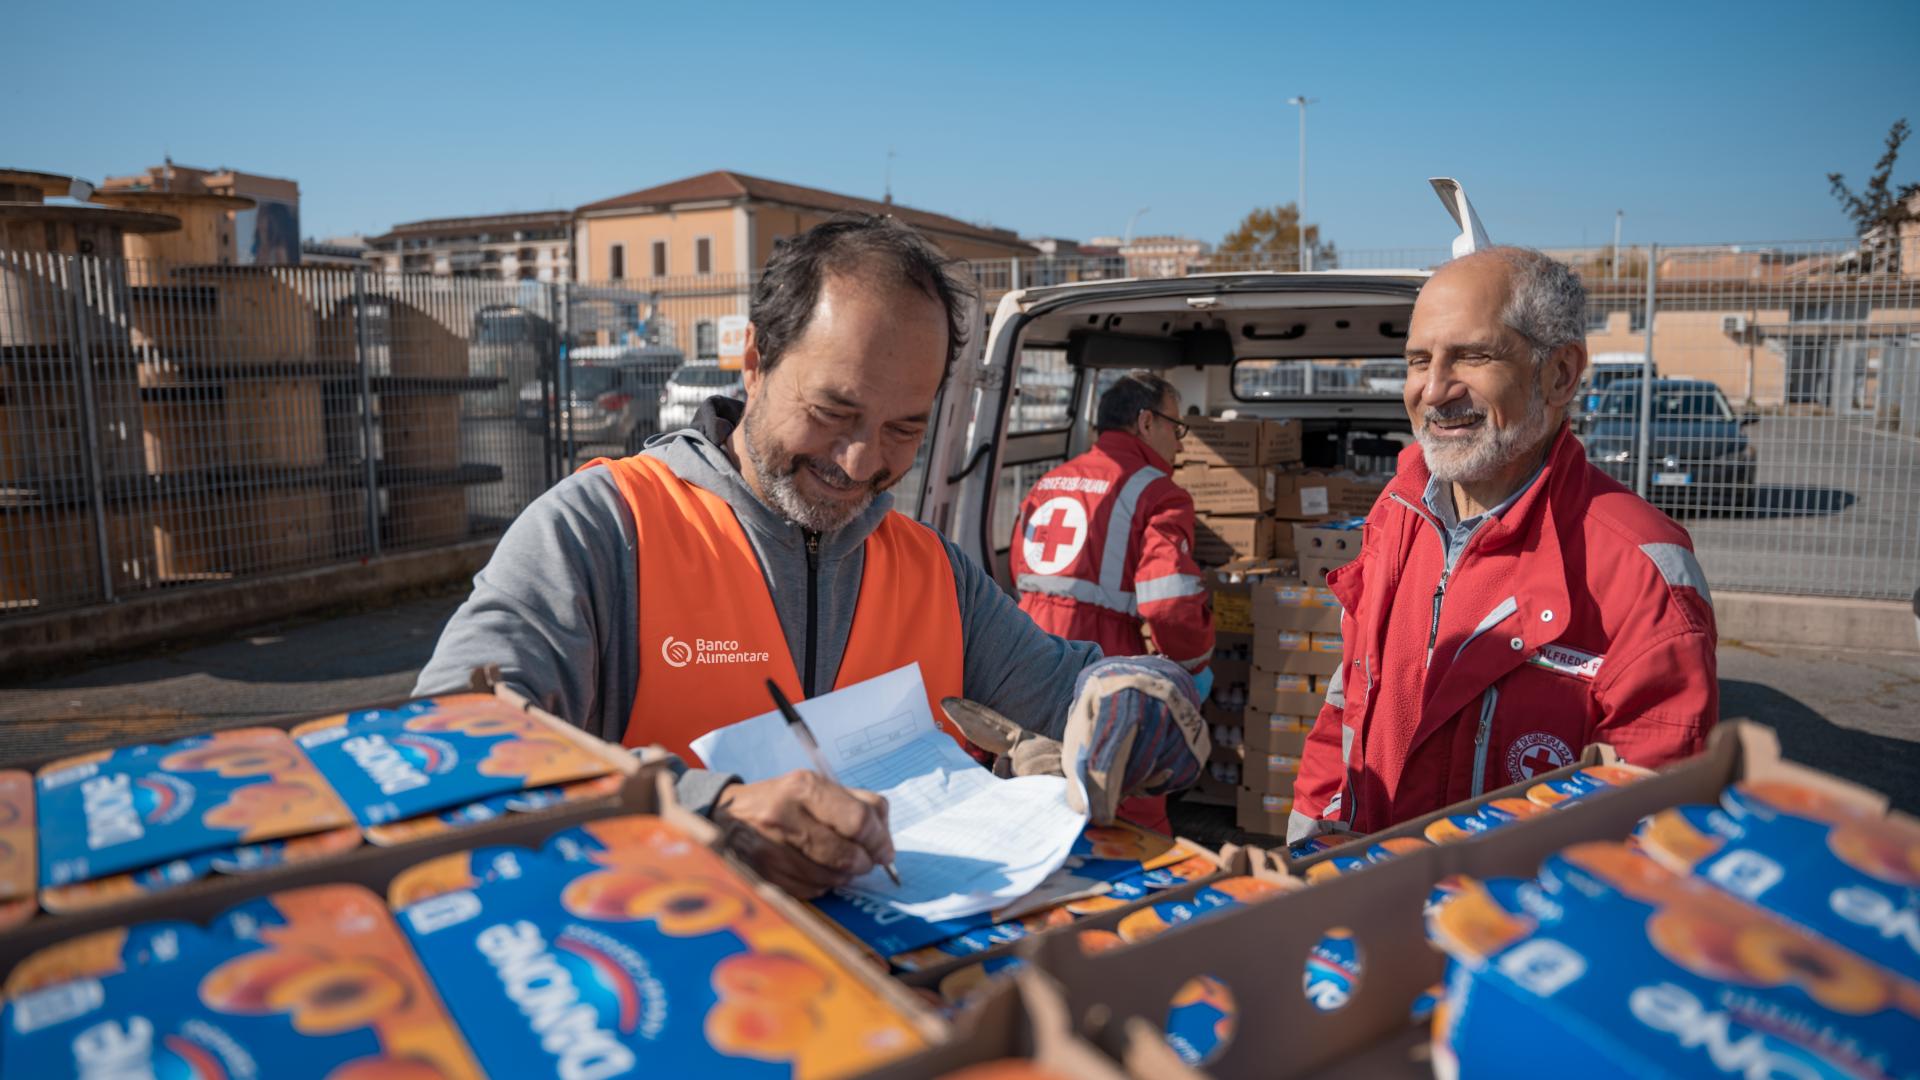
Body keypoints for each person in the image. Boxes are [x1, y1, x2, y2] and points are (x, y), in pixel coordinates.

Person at [415, 215, 1206, 898]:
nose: (863, 463)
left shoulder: (933, 571)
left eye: (905, 429)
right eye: (835, 411)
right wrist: (706, 813)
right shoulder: (602, 529)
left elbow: (1074, 688)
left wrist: (1138, 694)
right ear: (755, 362)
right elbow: (448, 751)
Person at [1289, 246, 1718, 843]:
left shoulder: (1640, 569)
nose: (1434, 390)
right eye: (1418, 361)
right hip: (1362, 893)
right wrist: (1307, 852)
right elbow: (1348, 704)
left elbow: (1651, 829)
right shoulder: (1397, 510)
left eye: (1472, 356)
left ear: (1561, 373)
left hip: (1505, 926)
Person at [1009, 372, 1213, 831]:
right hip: (1103, 665)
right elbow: (1169, 602)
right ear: (1146, 422)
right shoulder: (1159, 492)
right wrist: (1190, 668)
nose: (1179, 447)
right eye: (1176, 429)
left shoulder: (1048, 481)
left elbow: (1021, 570)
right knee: (1127, 811)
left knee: (1037, 794)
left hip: (1023, 658)